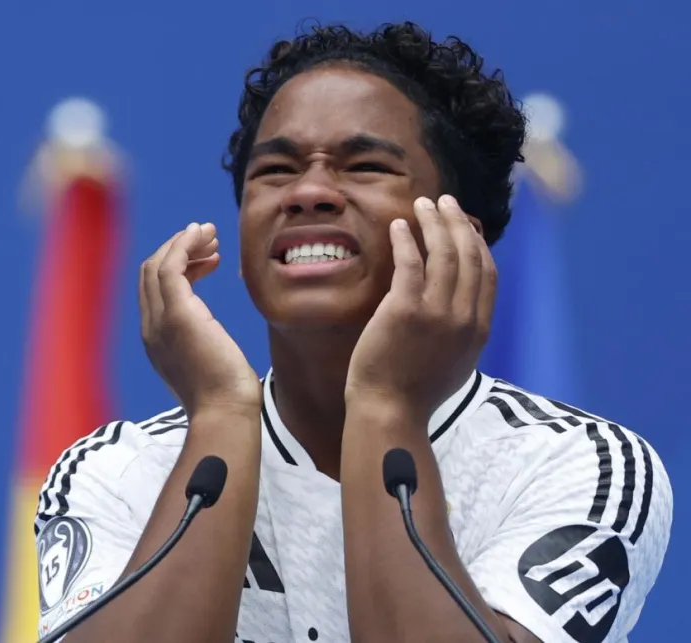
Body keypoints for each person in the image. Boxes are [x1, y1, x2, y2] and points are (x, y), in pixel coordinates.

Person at [34, 21, 672, 643]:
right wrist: (223, 413)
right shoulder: (113, 471)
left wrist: (386, 404)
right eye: (275, 170)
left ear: (459, 238)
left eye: (364, 165)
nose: (308, 192)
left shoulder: (579, 463)